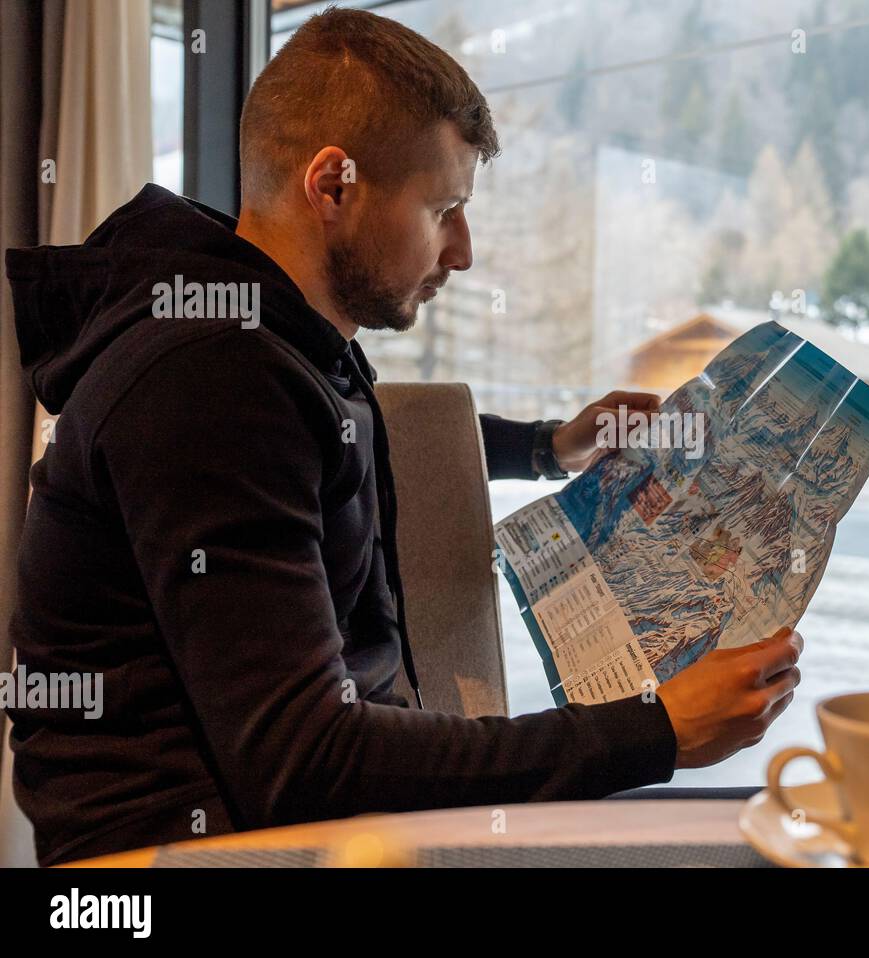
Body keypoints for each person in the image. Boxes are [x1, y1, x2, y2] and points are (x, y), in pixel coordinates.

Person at [3, 7, 802, 866]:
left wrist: (546, 448)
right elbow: (310, 761)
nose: (461, 251)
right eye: (444, 208)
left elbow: (338, 449)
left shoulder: (267, 341)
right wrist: (658, 732)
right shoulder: (212, 380)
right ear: (332, 186)